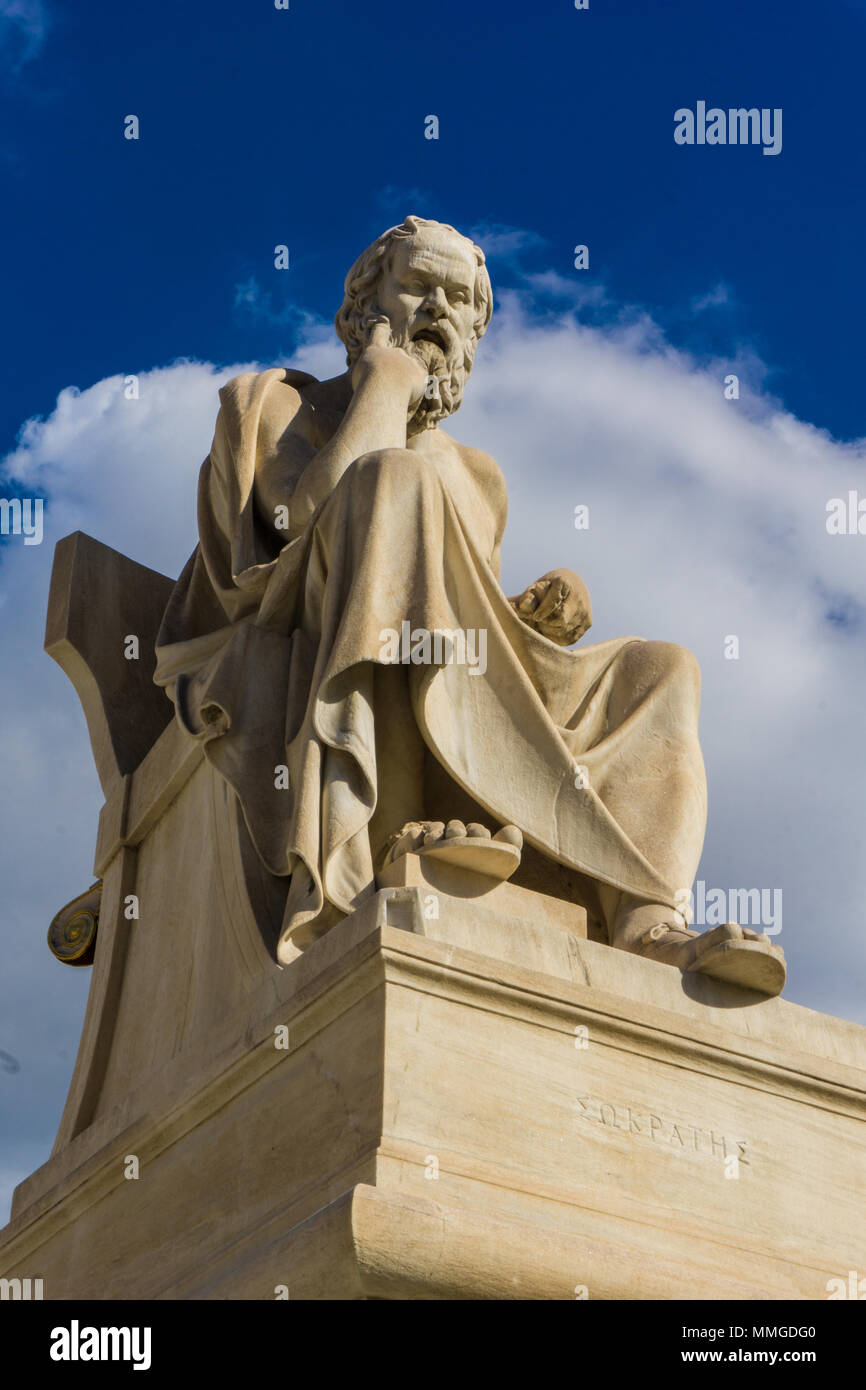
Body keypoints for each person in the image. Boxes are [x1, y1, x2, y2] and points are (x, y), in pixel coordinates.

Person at [154, 216, 784, 993]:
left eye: (460, 301)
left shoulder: (477, 475)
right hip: (294, 643)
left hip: (433, 686)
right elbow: (297, 524)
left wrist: (533, 611)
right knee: (394, 481)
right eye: (417, 286)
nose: (439, 313)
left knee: (662, 670)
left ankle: (647, 920)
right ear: (362, 310)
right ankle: (391, 836)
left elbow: (456, 616)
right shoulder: (275, 406)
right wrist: (385, 384)